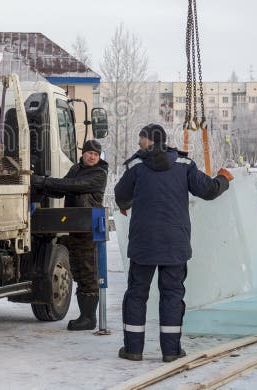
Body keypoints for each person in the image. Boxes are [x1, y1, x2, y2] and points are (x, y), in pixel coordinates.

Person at [114, 123, 233, 362]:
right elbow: (208, 191)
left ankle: (133, 350)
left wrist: (124, 205)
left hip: (143, 243)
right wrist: (223, 178)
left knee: (137, 294)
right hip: (174, 243)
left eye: (141, 142)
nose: (138, 146)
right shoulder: (184, 165)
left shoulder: (136, 166)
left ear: (149, 141)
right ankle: (171, 351)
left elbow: (121, 194)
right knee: (172, 296)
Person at [31, 139, 108, 331]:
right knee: (79, 271)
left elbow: (75, 186)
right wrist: (41, 187)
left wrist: (45, 181)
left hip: (88, 229)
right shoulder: (76, 169)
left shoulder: (99, 173)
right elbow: (63, 188)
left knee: (88, 272)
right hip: (75, 227)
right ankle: (85, 315)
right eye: (90, 153)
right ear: (84, 153)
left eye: (96, 155)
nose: (92, 157)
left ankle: (89, 318)